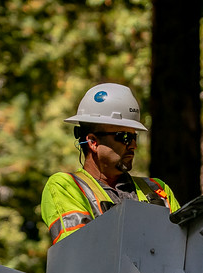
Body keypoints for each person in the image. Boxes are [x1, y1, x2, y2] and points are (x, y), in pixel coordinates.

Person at [41, 83, 180, 244]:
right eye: (124, 137)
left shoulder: (159, 190)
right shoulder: (66, 186)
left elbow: (183, 247)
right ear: (93, 142)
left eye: (135, 137)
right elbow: (81, 251)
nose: (133, 145)